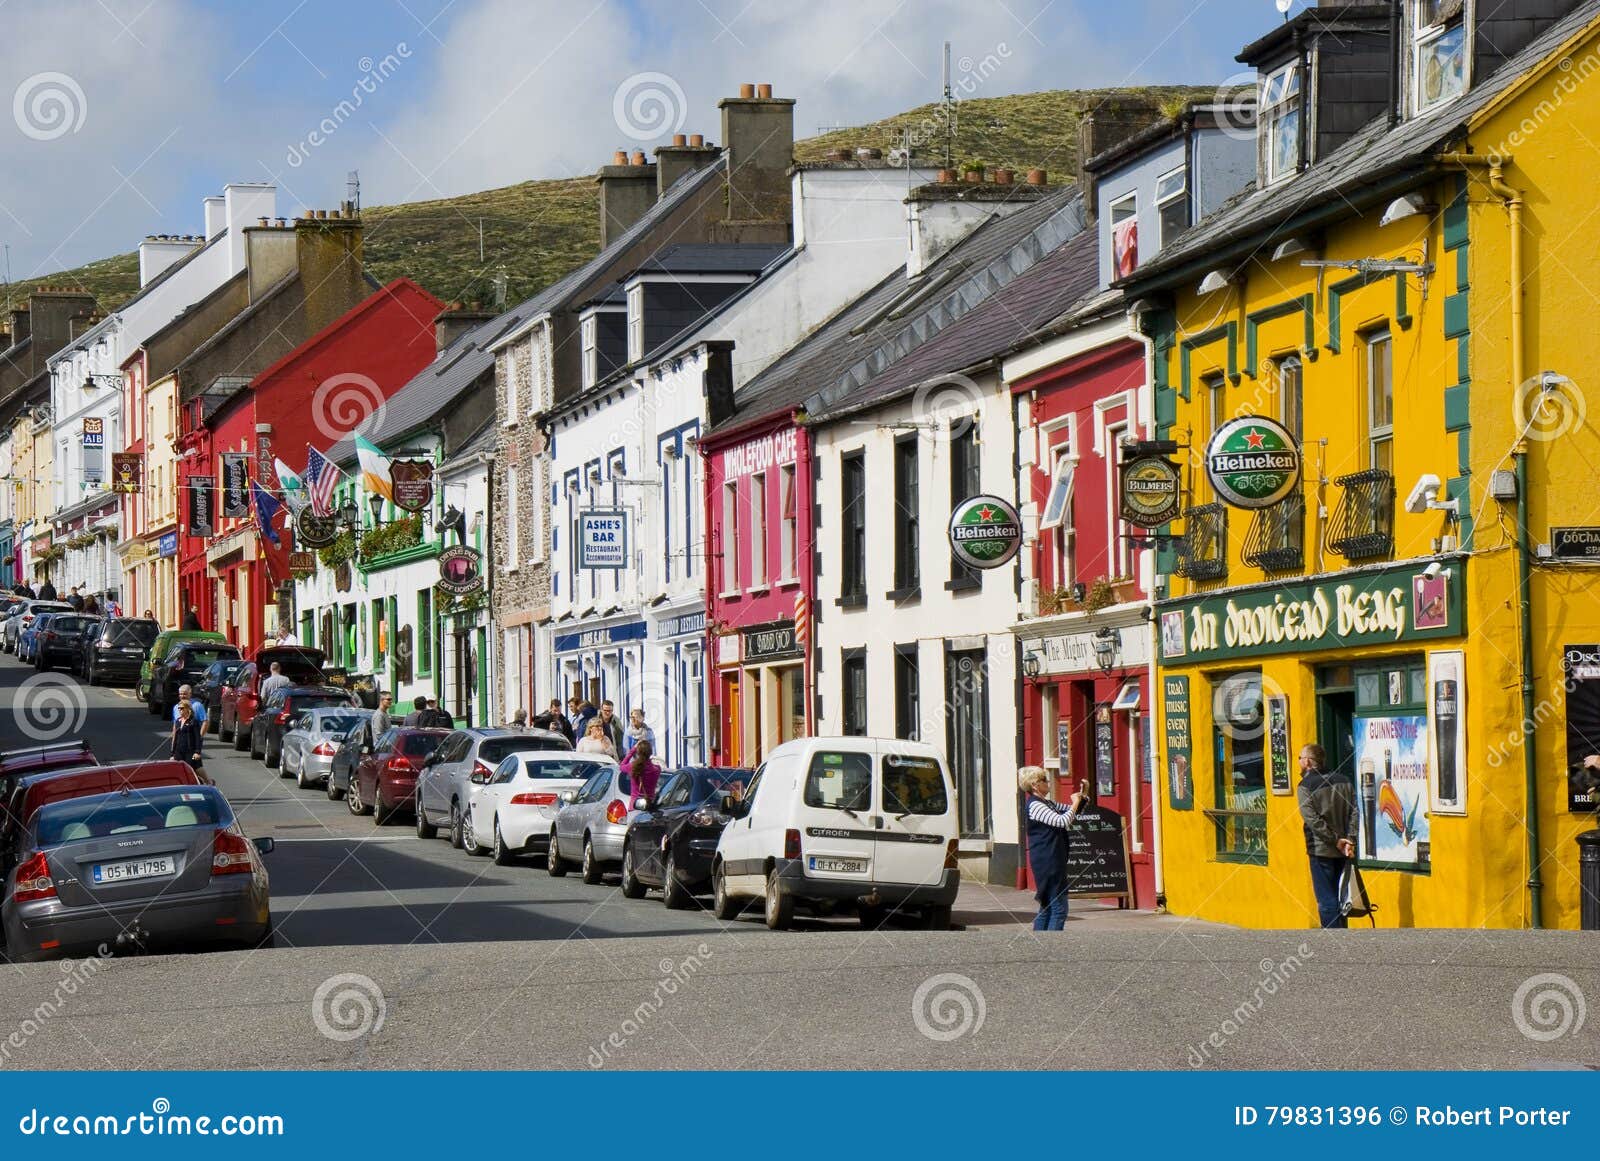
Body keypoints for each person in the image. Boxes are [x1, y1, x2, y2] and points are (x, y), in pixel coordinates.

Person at [1295, 743, 1358, 929]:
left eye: (1300, 758)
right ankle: (1342, 935)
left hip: (1320, 849)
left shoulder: (1305, 786)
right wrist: (1350, 839)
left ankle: (1333, 939)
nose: (1299, 762)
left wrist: (1335, 840)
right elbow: (1355, 811)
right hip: (1344, 849)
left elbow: (1312, 820)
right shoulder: (1344, 780)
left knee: (1326, 899)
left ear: (1307, 761)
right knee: (1341, 896)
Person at [1021, 766, 1088, 931]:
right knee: (1059, 909)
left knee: (1047, 907)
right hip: (1047, 861)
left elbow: (1072, 811)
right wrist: (1075, 803)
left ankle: (1039, 947)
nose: (1048, 782)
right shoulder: (1036, 805)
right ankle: (1052, 948)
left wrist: (1082, 796)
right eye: (1044, 780)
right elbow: (1062, 821)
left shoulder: (1047, 802)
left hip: (1052, 858)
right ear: (1035, 785)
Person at [172, 699, 206, 779]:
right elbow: (176, 738)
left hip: (190, 751)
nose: (180, 710)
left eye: (182, 708)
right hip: (179, 751)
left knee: (194, 767)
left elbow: (198, 738)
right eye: (179, 708)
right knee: (178, 769)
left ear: (188, 709)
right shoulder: (178, 721)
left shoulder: (193, 722)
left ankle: (208, 781)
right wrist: (172, 753)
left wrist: (197, 752)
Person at [627, 739, 662, 804]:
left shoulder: (632, 766)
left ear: (638, 753)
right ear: (650, 752)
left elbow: (622, 766)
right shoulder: (657, 769)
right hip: (649, 806)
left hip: (634, 805)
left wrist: (633, 750)